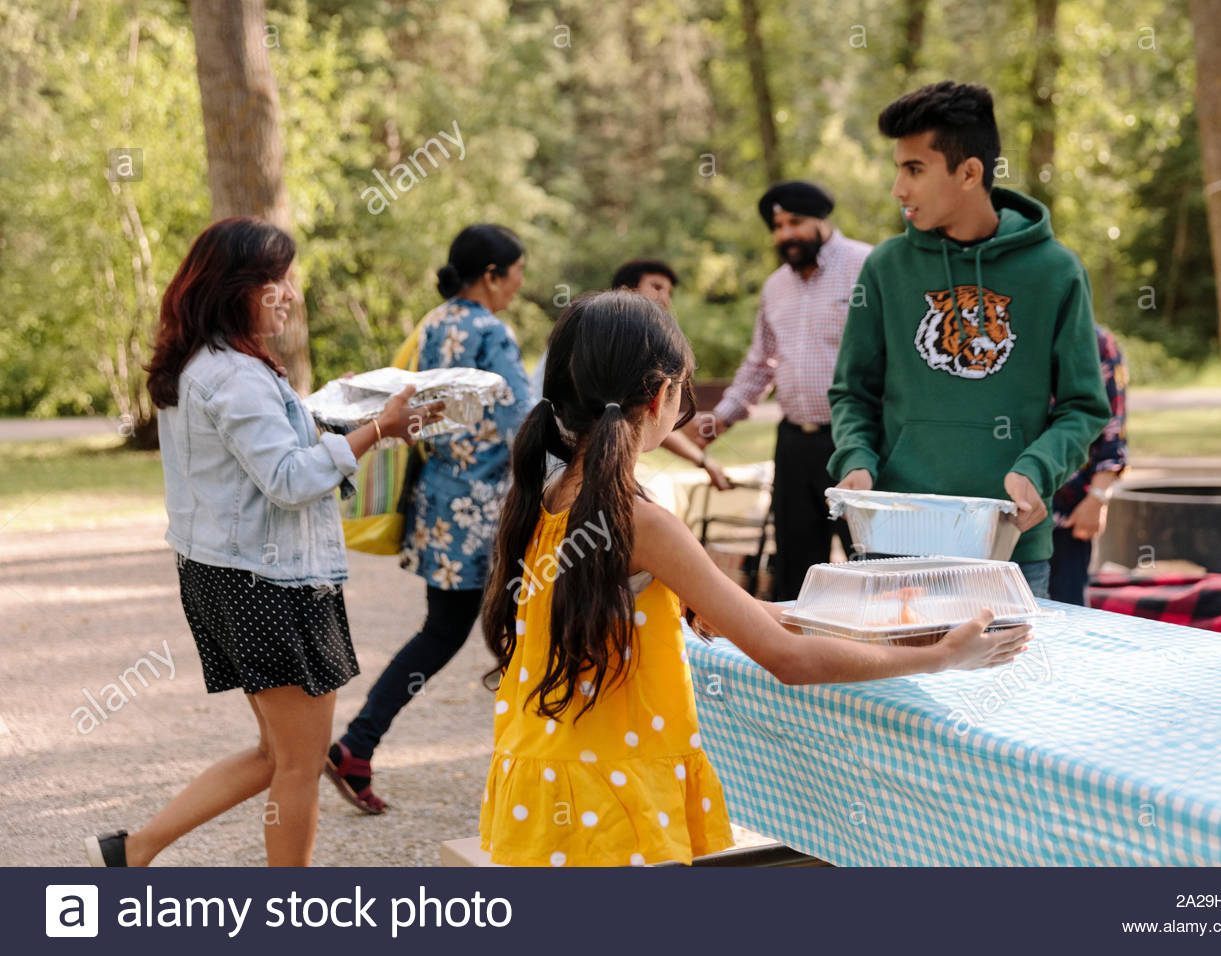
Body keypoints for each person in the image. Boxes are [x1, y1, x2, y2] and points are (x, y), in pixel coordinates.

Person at [476, 290, 1033, 866]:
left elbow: (731, 610)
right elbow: (785, 659)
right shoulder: (641, 522)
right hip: (611, 796)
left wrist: (873, 628)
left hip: (541, 777)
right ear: (662, 395)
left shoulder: (547, 497)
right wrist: (943, 657)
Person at [86, 218, 432, 867]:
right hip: (272, 586)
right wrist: (378, 430)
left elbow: (259, 446)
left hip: (226, 578)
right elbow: (286, 478)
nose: (288, 294)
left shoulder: (204, 360)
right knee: (299, 766)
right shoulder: (236, 374)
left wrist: (338, 411)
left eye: (288, 280)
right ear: (233, 286)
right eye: (273, 281)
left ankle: (133, 851)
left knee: (277, 753)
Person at [829, 82, 1110, 597]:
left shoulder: (1056, 272)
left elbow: (1083, 407)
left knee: (1012, 679)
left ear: (969, 172)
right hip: (894, 544)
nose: (898, 188)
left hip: (1009, 551)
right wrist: (857, 462)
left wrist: (1037, 467)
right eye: (898, 168)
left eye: (914, 169)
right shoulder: (885, 268)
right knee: (893, 681)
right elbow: (852, 393)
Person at [324, 224, 533, 814]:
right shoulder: (492, 330)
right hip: (491, 510)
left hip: (440, 504)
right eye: (516, 271)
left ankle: (357, 746)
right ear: (492, 275)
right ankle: (536, 775)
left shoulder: (434, 323)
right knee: (528, 635)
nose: (520, 283)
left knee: (441, 633)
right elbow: (523, 421)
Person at [682, 181, 873, 599]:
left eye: (795, 223)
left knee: (872, 562)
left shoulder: (867, 266)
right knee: (796, 568)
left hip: (857, 442)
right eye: (778, 225)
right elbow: (759, 364)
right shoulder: (775, 287)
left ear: (822, 221)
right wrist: (723, 417)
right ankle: (795, 656)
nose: (785, 234)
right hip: (793, 446)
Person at [530, 258, 731, 491]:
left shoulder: (594, 333)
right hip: (559, 468)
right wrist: (702, 460)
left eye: (668, 292)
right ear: (625, 291)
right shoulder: (604, 344)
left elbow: (630, 412)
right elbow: (629, 413)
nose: (665, 300)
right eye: (656, 287)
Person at [1049, 326, 1128, 605]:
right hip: (998, 517)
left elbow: (1112, 428)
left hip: (1067, 516)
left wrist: (1097, 498)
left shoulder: (1095, 341)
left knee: (1066, 617)